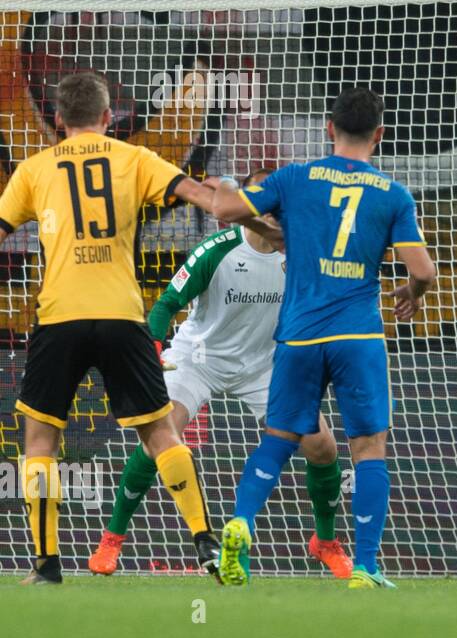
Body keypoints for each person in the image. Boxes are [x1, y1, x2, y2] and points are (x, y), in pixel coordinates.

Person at [0, 71, 280, 585]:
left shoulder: (34, 169)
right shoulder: (134, 159)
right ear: (108, 118)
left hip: (60, 316)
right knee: (158, 431)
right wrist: (264, 226)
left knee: (40, 441)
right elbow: (209, 197)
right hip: (123, 318)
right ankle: (206, 545)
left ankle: (46, 566)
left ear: (58, 120)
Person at [211, 88, 437, 589]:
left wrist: (265, 224)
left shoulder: (293, 178)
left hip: (298, 335)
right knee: (369, 447)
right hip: (358, 334)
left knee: (278, 439)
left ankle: (242, 522)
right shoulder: (392, 193)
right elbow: (423, 268)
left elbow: (226, 211)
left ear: (328, 129)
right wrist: (412, 290)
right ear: (379, 135)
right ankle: (366, 567)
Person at [89, 169, 352, 581]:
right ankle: (112, 539)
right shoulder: (218, 249)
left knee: (323, 447)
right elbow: (166, 305)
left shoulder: (303, 254)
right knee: (162, 435)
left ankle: (326, 542)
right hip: (199, 358)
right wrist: (153, 352)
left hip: (264, 366)